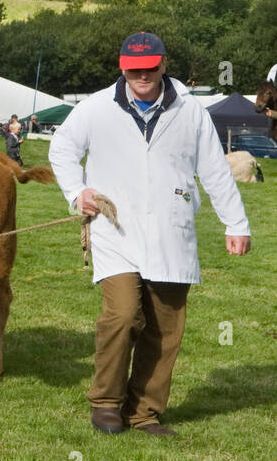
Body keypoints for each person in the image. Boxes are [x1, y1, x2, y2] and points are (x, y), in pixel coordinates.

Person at [49, 32, 250, 437]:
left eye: (150, 67)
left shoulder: (192, 111)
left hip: (171, 230)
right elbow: (62, 148)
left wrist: (237, 223)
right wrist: (77, 192)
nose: (142, 75)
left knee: (165, 326)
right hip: (114, 229)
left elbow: (213, 169)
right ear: (122, 68)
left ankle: (144, 412)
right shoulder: (95, 108)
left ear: (163, 65)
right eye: (133, 69)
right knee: (122, 315)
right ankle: (106, 402)